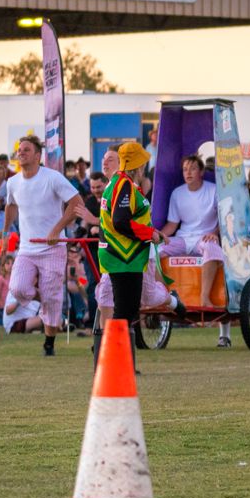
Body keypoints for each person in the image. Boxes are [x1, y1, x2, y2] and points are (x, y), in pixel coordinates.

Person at [2, 135, 94, 356]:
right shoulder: (12, 182)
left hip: (52, 248)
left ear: (37, 155)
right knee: (18, 288)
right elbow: (11, 206)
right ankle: (45, 298)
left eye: (26, 150)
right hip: (26, 248)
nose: (21, 153)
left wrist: (57, 228)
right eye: (19, 150)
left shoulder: (53, 178)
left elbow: (77, 204)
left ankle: (49, 343)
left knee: (52, 299)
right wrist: (6, 232)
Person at [96, 141, 160, 365]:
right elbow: (121, 221)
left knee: (126, 309)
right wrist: (148, 233)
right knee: (125, 310)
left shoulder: (119, 183)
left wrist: (150, 231)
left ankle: (115, 363)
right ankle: (115, 364)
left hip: (121, 256)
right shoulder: (124, 184)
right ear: (138, 165)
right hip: (123, 257)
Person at [157, 154, 233, 344]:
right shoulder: (177, 193)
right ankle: (160, 295)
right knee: (154, 251)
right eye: (184, 169)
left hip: (205, 237)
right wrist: (157, 237)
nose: (188, 173)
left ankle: (205, 297)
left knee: (213, 249)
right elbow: (172, 225)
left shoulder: (214, 190)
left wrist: (215, 233)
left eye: (192, 169)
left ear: (201, 172)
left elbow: (224, 219)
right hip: (183, 237)